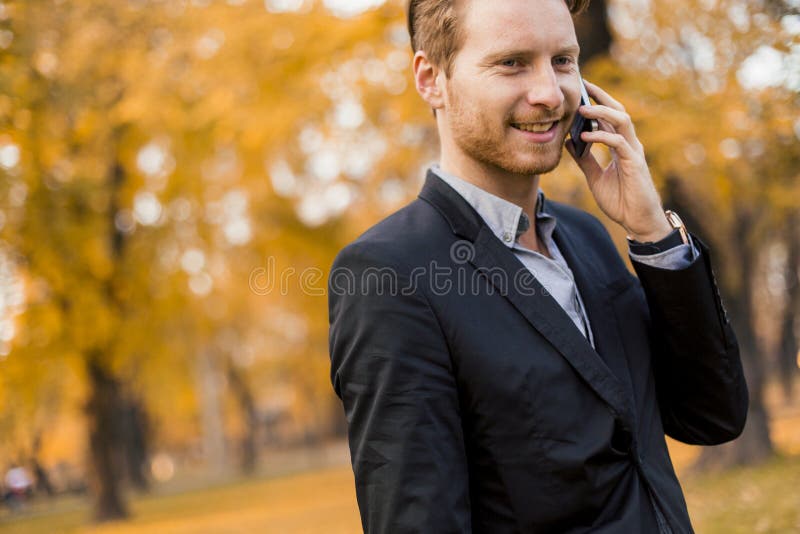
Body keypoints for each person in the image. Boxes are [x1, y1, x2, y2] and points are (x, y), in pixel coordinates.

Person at [327, 0, 748, 532]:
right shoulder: (387, 275)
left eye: (563, 61)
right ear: (432, 79)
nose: (550, 92)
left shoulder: (589, 237)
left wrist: (651, 232)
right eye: (512, 63)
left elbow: (711, 415)